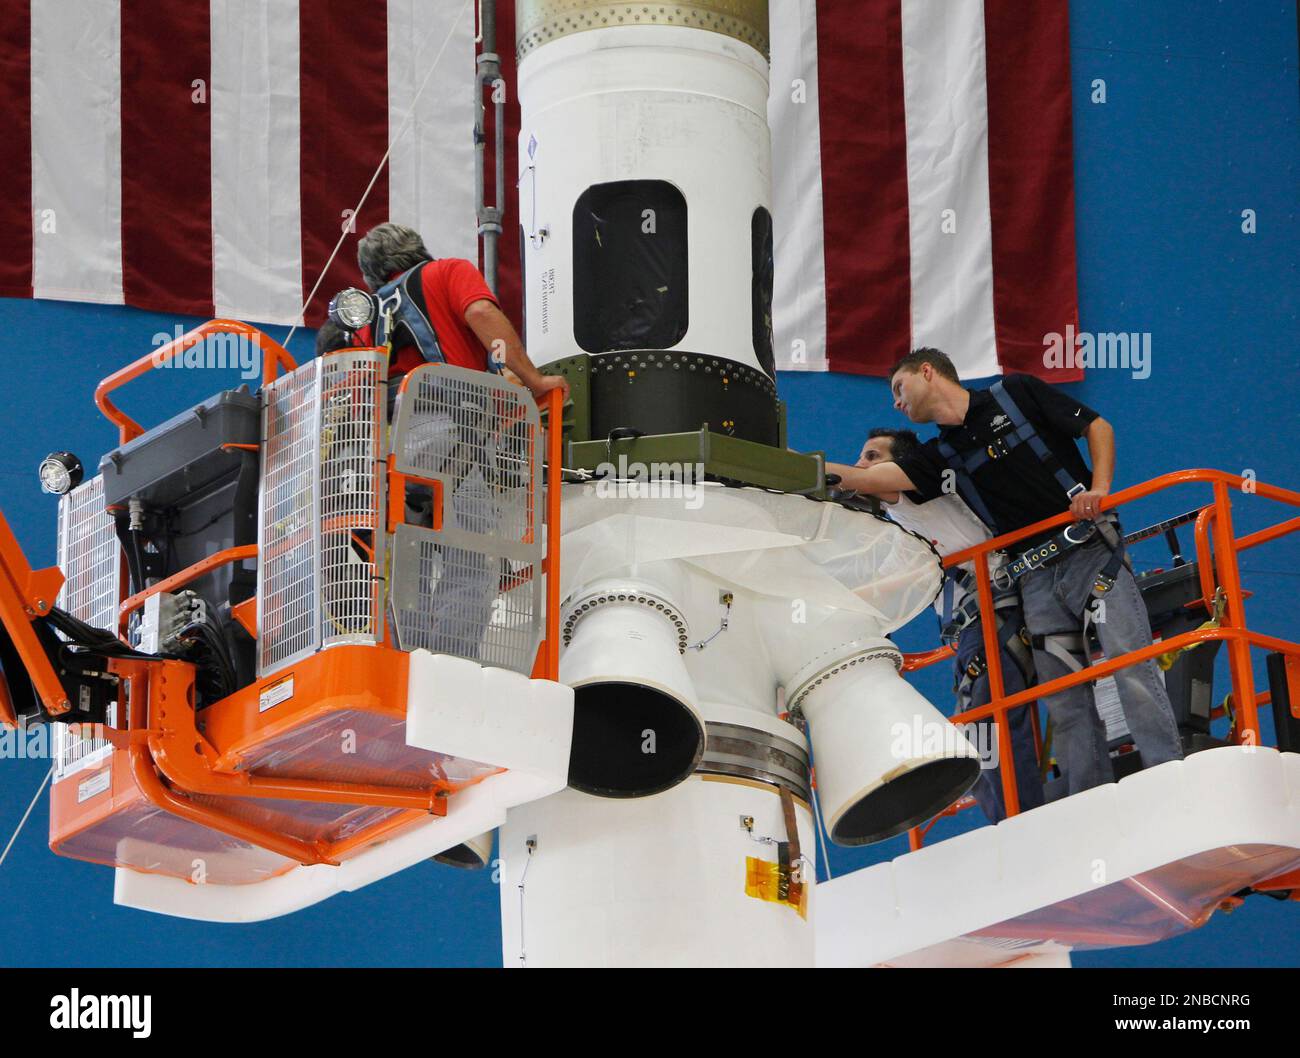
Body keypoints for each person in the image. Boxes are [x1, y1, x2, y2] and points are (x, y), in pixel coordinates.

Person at [828, 348, 1183, 798]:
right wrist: (812, 470)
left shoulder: (1014, 392)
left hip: (1091, 554)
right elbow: (878, 480)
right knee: (1064, 698)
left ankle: (1170, 779)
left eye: (900, 388)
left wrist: (1099, 489)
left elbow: (1097, 425)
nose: (896, 401)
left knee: (1130, 663)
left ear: (927, 371)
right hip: (1034, 581)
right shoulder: (940, 455)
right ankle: (1093, 801)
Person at [857, 428, 1043, 822]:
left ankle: (1025, 823)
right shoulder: (904, 530)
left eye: (872, 456)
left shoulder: (917, 497)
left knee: (992, 727)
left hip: (994, 620)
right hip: (973, 634)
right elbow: (879, 593)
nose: (862, 465)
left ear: (898, 465)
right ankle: (1013, 822)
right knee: (975, 741)